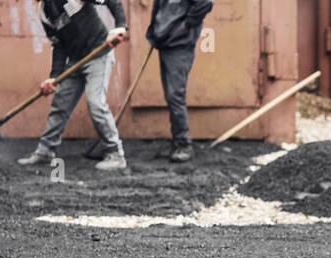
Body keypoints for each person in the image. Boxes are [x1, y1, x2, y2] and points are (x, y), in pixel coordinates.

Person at [18, 0, 130, 172]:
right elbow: (59, 46)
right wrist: (53, 78)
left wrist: (120, 26)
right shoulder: (44, 13)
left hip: (99, 53)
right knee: (60, 104)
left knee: (96, 103)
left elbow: (111, 1)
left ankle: (116, 154)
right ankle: (46, 151)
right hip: (76, 61)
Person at [146, 0, 213, 163]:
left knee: (175, 95)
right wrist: (154, 34)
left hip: (179, 46)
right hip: (165, 44)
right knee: (171, 97)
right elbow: (159, 9)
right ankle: (177, 142)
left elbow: (206, 3)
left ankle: (184, 145)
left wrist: (186, 26)